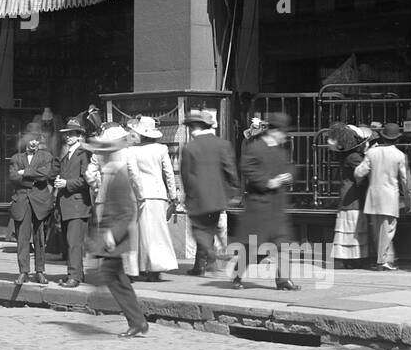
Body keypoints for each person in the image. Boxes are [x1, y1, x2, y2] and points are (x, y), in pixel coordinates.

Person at [82, 126, 148, 338]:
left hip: (114, 239)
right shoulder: (111, 172)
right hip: (110, 238)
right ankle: (137, 321)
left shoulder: (118, 175)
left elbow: (126, 212)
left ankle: (136, 321)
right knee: (118, 280)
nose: (100, 155)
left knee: (113, 280)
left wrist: (111, 235)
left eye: (104, 151)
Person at [238, 111, 299, 291]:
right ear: (274, 131)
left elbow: (290, 167)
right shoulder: (255, 147)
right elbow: (247, 168)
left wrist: (290, 174)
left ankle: (283, 280)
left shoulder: (280, 150)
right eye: (283, 132)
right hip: (260, 206)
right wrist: (267, 181)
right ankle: (237, 274)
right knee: (252, 246)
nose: (284, 137)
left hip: (277, 206)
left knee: (283, 244)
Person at [178, 109, 240, 277]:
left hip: (198, 198)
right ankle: (200, 265)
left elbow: (187, 176)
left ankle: (211, 259)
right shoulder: (223, 144)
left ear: (193, 128)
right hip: (218, 197)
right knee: (209, 229)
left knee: (199, 231)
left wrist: (188, 197)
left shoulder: (190, 148)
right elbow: (230, 170)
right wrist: (232, 192)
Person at [125, 116, 180, 281]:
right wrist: (173, 195)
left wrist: (139, 193)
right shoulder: (161, 149)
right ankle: (155, 269)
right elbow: (169, 174)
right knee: (158, 232)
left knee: (141, 233)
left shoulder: (132, 151)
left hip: (141, 195)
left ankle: (141, 267)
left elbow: (134, 175)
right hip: (159, 194)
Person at [354, 122, 411, 271]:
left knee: (377, 231)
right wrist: (408, 201)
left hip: (373, 197)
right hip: (389, 197)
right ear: (397, 139)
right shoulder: (400, 155)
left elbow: (359, 173)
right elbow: (406, 181)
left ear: (383, 137)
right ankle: (383, 261)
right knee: (387, 231)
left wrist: (362, 181)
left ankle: (382, 259)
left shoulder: (372, 153)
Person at [8, 132, 56, 285]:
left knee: (40, 237)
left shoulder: (46, 156)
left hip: (40, 202)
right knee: (22, 238)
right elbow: (13, 177)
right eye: (30, 140)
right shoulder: (16, 158)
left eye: (36, 140)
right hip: (22, 201)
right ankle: (23, 272)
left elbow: (45, 175)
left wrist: (25, 172)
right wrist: (33, 180)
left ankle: (40, 271)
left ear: (39, 142)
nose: (33, 143)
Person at [54, 117, 96, 288]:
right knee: (68, 242)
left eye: (72, 134)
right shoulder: (68, 155)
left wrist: (66, 183)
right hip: (67, 204)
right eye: (67, 134)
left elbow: (86, 180)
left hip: (78, 204)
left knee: (74, 242)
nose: (68, 137)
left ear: (79, 136)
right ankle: (76, 273)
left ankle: (74, 276)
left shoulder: (84, 154)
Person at [327, 123, 372, 267]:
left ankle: (349, 259)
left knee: (351, 227)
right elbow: (364, 171)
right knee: (352, 227)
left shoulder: (349, 155)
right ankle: (351, 259)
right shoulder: (354, 157)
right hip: (353, 196)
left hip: (349, 194)